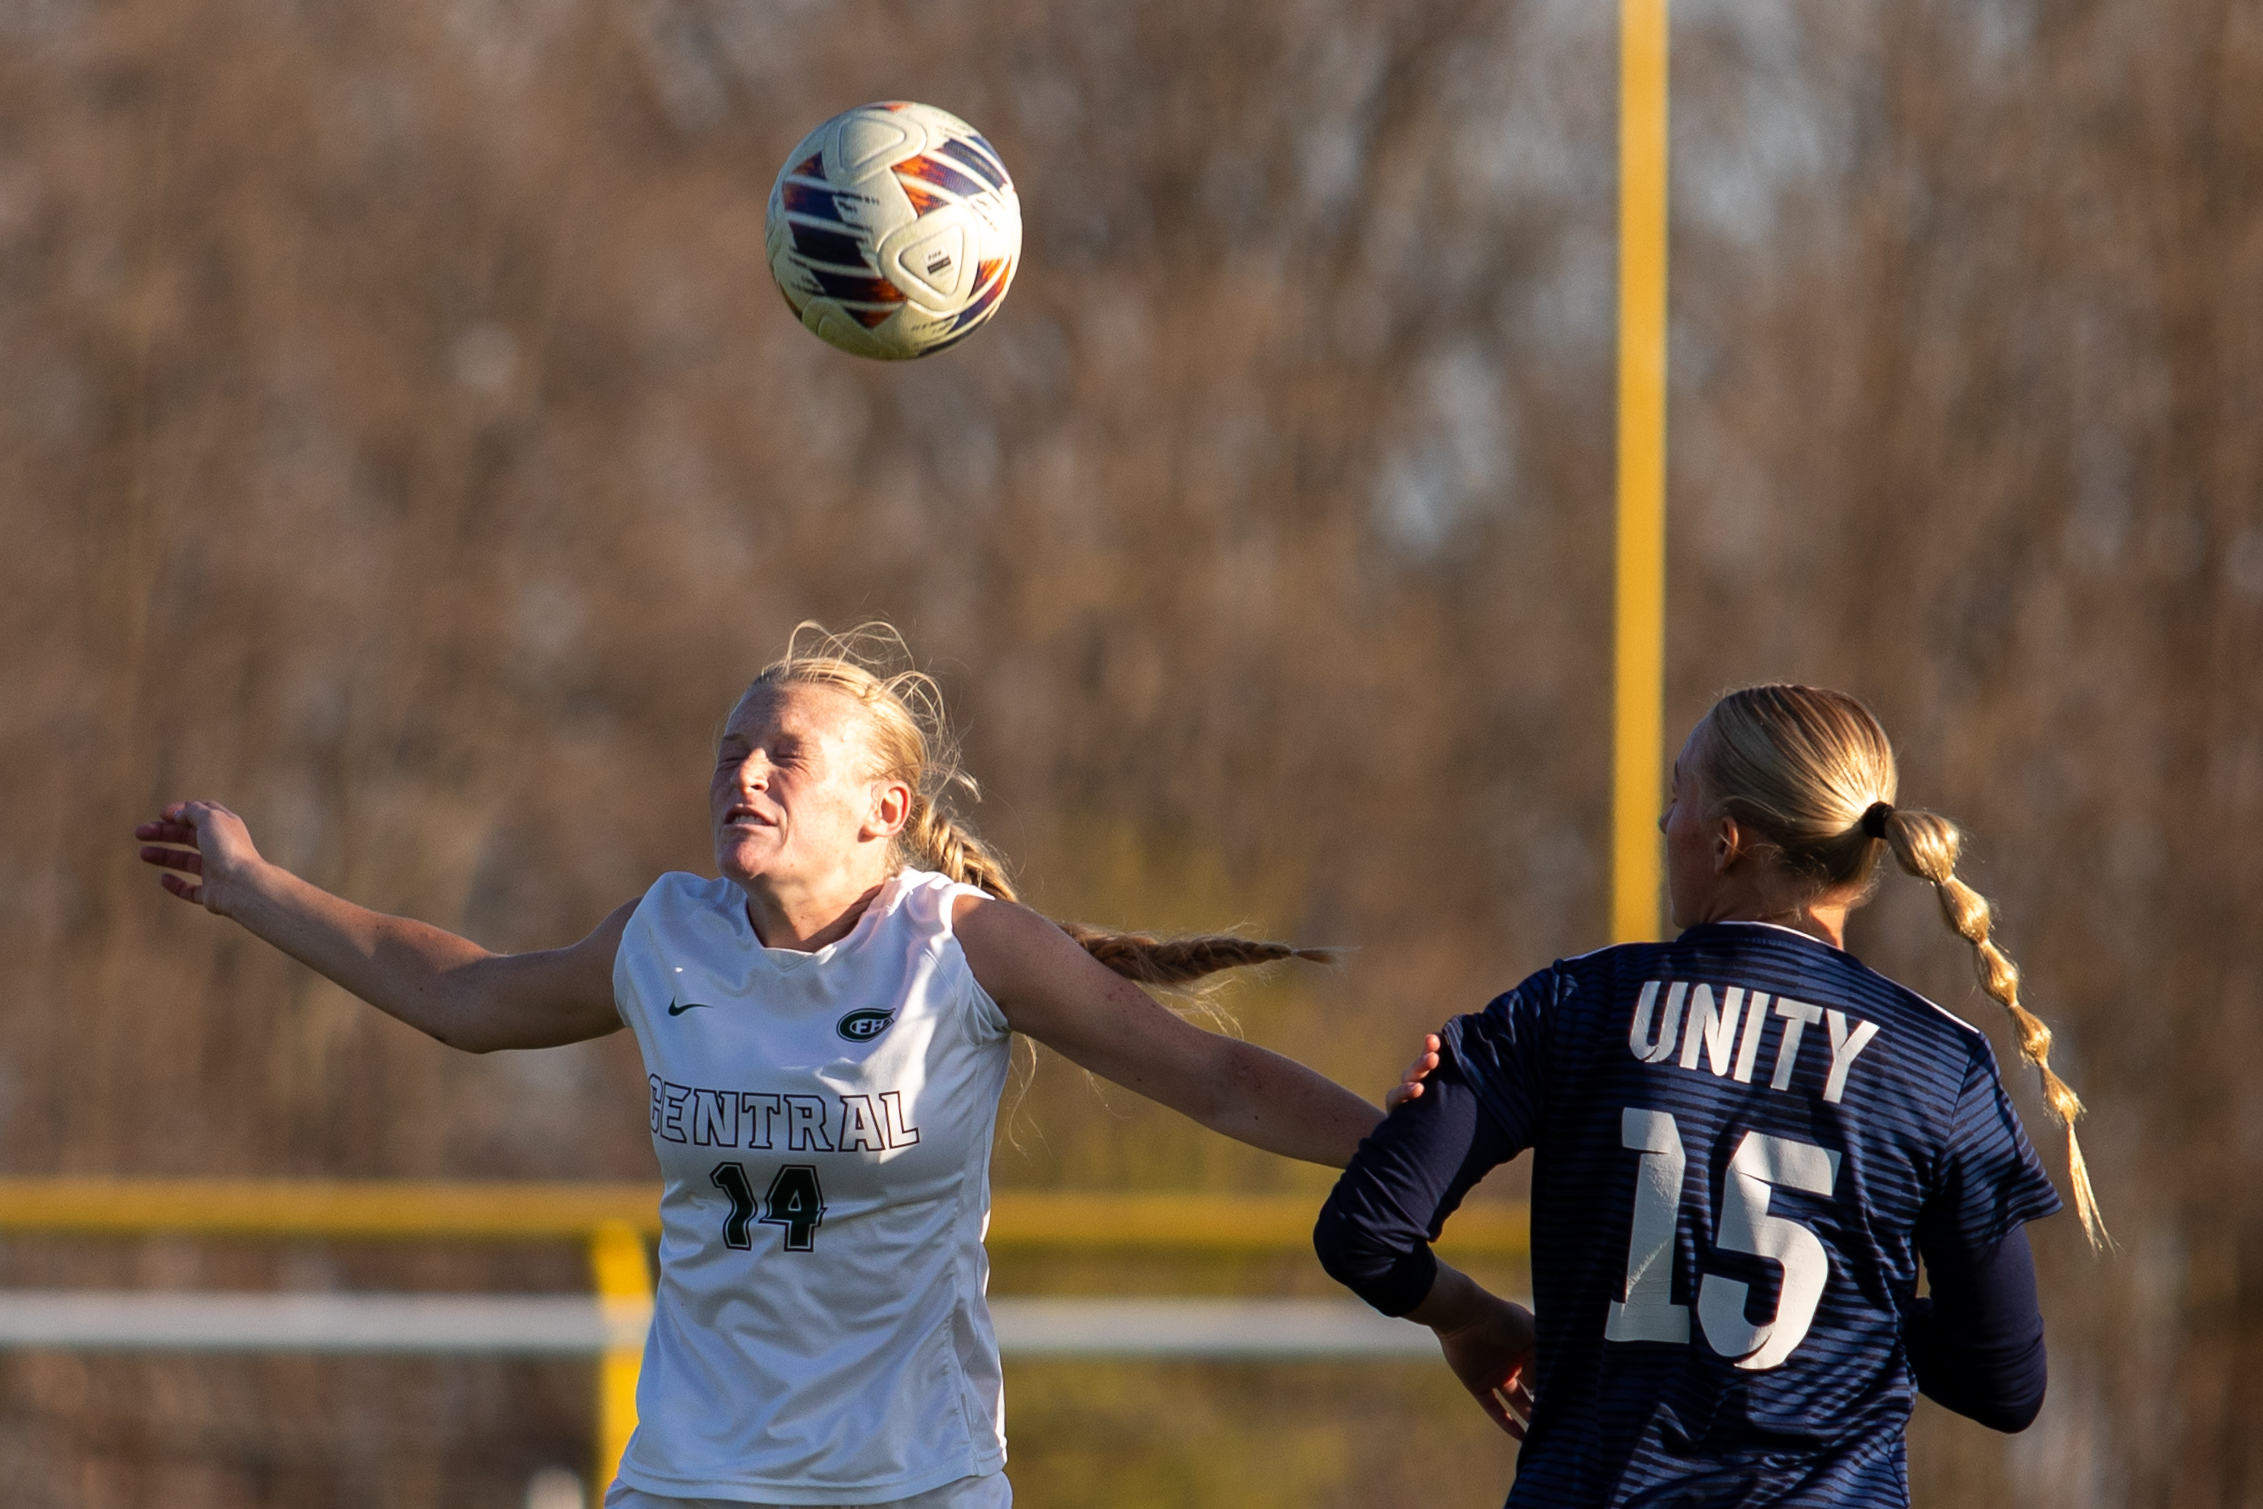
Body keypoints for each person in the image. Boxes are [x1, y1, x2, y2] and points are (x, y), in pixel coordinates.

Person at [136, 623, 1382, 1509]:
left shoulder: (958, 947)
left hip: (915, 1484)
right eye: (733, 747)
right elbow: (466, 994)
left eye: (783, 752)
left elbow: (1215, 1082)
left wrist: (1434, 1146)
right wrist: (253, 887)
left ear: (881, 812)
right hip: (691, 1476)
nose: (742, 771)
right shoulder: (666, 934)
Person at [1314, 683, 2102, 1507]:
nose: (1663, 824)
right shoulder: (1940, 1065)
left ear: (1725, 841)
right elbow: (2003, 1383)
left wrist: (1472, 1315)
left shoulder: (1574, 1007)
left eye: (1675, 795)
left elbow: (1363, 1232)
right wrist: (1846, 1298)